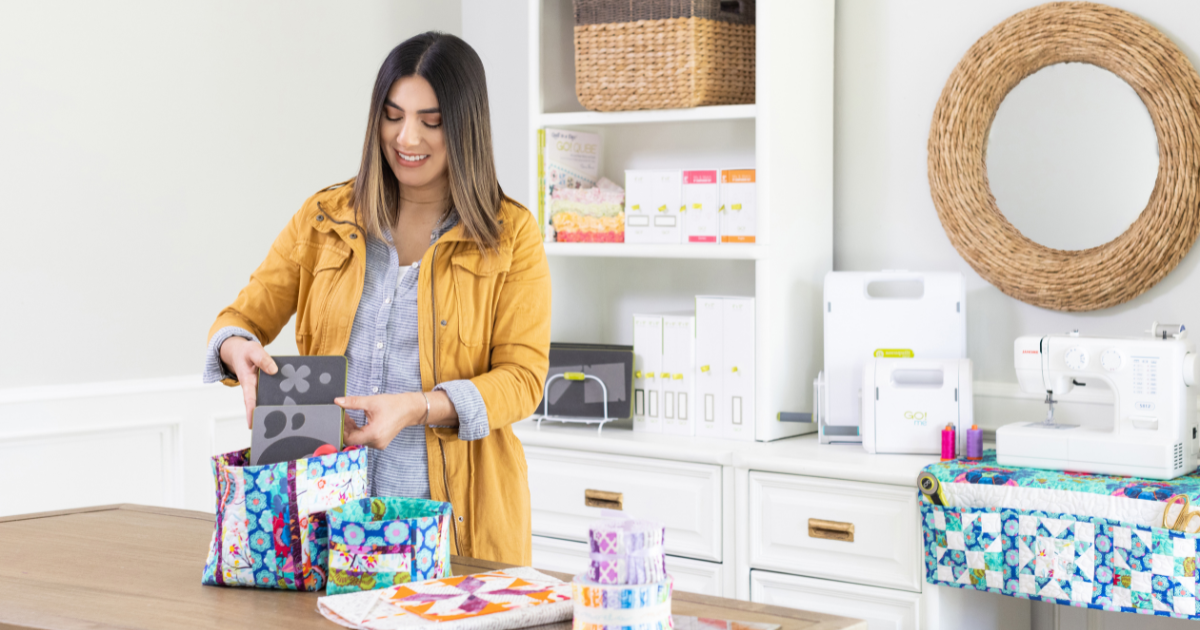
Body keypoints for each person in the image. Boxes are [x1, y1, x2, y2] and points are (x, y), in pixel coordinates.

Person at [202, 32, 550, 565]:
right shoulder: (324, 217)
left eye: (431, 121)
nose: (407, 137)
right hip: (325, 518)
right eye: (393, 115)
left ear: (465, 125)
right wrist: (236, 350)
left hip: (451, 525)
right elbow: (241, 317)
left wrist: (418, 407)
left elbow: (523, 380)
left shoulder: (511, 234)